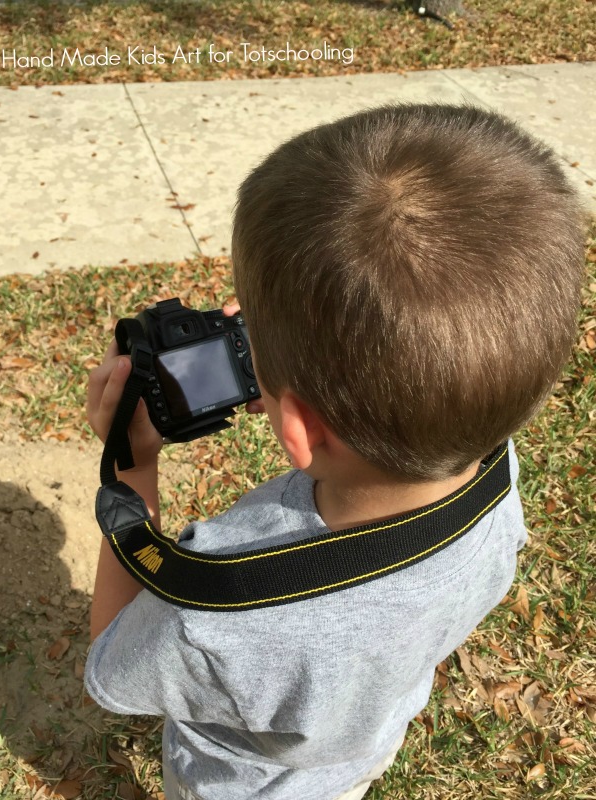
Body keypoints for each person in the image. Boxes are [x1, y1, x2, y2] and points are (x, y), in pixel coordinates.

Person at [85, 103, 585, 800]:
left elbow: (110, 665)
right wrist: (300, 380)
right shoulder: (497, 476)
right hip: (362, 752)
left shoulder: (217, 606)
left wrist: (132, 467)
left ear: (298, 430)